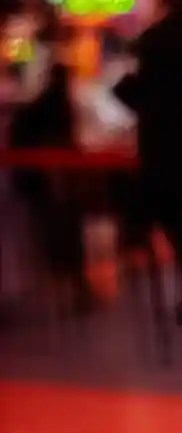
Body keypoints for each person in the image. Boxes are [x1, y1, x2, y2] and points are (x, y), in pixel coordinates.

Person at [114, 0, 182, 324]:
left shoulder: (155, 44)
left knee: (169, 221)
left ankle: (174, 293)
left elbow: (141, 93)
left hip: (161, 149)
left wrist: (126, 89)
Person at [8, 24, 91, 313]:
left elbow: (36, 108)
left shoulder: (45, 70)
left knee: (60, 223)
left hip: (50, 155)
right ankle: (72, 286)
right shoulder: (50, 69)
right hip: (54, 152)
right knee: (62, 224)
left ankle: (73, 287)